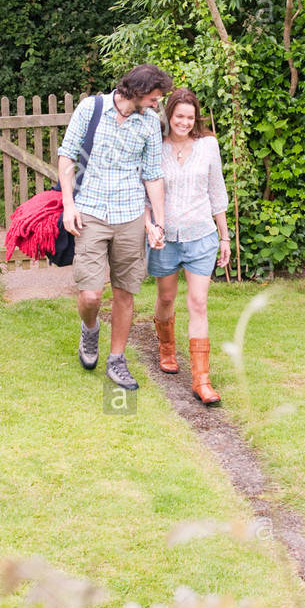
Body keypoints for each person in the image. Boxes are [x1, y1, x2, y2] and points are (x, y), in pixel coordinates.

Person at [57, 64, 172, 392]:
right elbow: (67, 158)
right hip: (90, 212)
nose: (156, 103)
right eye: (153, 97)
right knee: (91, 294)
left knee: (125, 291)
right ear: (136, 92)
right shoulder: (91, 108)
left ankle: (117, 359)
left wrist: (158, 223)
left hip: (131, 214)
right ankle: (90, 330)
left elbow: (153, 174)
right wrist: (68, 205)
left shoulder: (150, 122)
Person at [146, 88, 232, 406]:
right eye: (179, 116)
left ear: (197, 119)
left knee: (199, 303)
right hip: (165, 239)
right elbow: (145, 191)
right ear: (169, 116)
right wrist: (151, 225)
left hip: (201, 237)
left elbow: (216, 191)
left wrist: (224, 237)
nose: (184, 122)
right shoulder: (156, 146)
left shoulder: (208, 145)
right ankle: (167, 349)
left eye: (190, 117)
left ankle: (202, 380)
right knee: (166, 297)